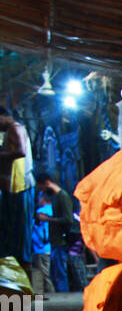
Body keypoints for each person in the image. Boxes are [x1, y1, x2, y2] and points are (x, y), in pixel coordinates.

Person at [0, 104, 35, 271]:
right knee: (13, 235)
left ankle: (24, 280)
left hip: (20, 187)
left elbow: (20, 151)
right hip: (13, 188)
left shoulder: (15, 128)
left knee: (20, 235)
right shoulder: (9, 131)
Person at [35, 170, 75, 293]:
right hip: (55, 241)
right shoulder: (56, 197)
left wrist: (47, 219)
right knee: (56, 275)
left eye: (42, 188)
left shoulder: (63, 197)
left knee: (60, 275)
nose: (42, 192)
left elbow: (68, 219)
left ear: (47, 183)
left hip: (61, 242)